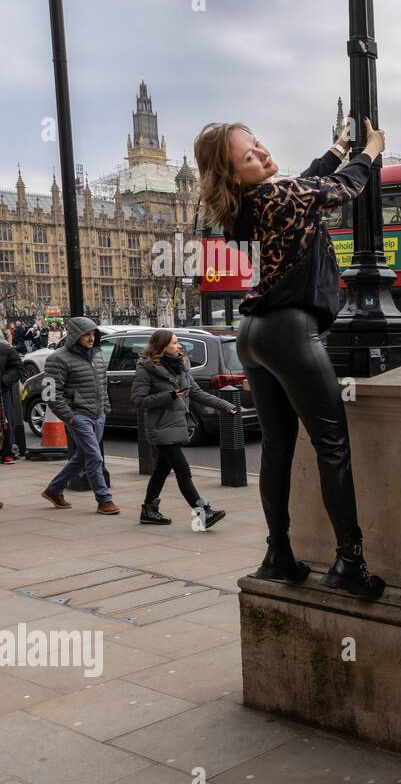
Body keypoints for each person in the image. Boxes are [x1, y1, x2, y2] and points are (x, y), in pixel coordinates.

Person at [193, 115, 386, 597]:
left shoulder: (241, 208)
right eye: (249, 156)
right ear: (237, 174)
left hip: (253, 333)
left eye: (256, 143)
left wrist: (338, 147)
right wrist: (368, 153)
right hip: (291, 332)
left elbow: (303, 184)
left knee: (278, 449)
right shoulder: (278, 196)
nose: (260, 152)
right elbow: (339, 190)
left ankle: (278, 555)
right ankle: (349, 563)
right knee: (332, 447)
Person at [131, 330, 238, 528]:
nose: (178, 345)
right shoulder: (146, 369)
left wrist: (225, 405)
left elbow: (196, 392)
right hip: (161, 428)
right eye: (174, 342)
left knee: (161, 471)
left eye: (177, 341)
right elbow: (138, 401)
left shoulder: (181, 366)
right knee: (183, 470)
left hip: (177, 425)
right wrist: (169, 396)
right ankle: (203, 512)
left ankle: (148, 510)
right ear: (162, 347)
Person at [40, 316, 119, 515]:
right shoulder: (58, 358)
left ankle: (54, 490)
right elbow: (50, 394)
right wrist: (69, 416)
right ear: (75, 335)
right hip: (78, 415)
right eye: (86, 334)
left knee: (83, 456)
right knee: (94, 456)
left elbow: (102, 384)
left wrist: (105, 408)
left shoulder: (98, 354)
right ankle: (104, 499)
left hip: (98, 414)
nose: (91, 338)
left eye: (93, 334)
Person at [0, 334, 21, 464]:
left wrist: (4, 381)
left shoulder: (6, 349)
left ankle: (6, 452)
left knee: (4, 423)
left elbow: (18, 367)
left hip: (2, 391)